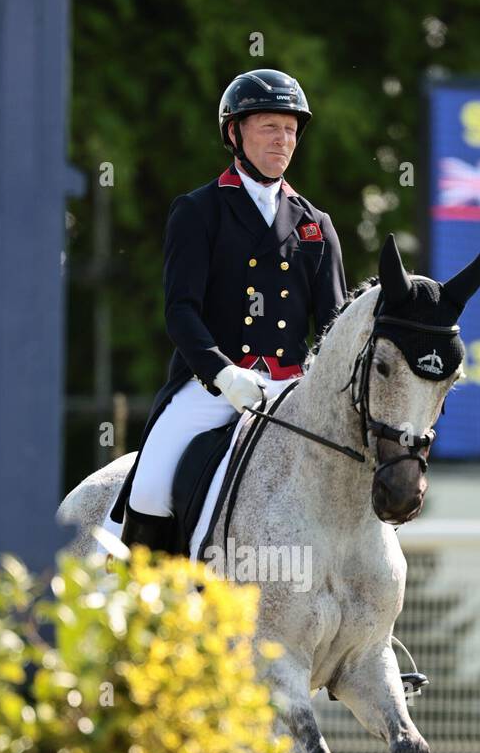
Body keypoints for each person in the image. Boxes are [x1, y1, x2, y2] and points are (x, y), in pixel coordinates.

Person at [112, 68, 347, 551]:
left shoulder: (316, 225)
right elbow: (180, 312)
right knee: (152, 486)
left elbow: (334, 328)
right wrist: (222, 374)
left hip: (291, 389)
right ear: (235, 132)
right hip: (213, 386)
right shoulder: (199, 211)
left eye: (290, 129)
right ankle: (143, 595)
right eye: (269, 127)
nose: (283, 139)